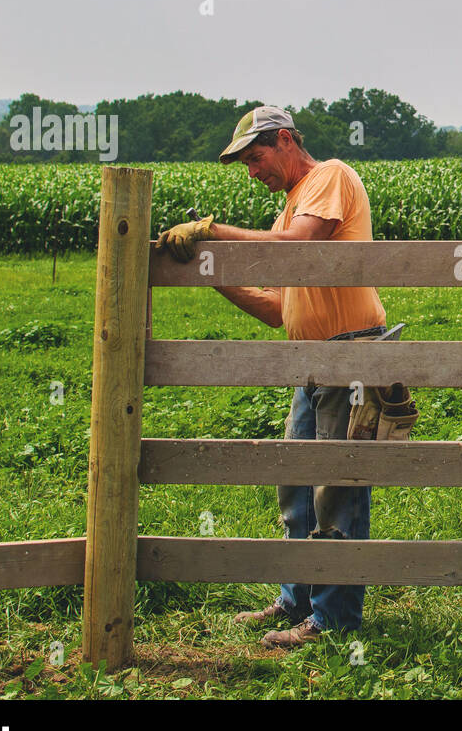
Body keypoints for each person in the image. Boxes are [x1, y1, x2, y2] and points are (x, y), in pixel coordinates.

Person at [156, 105, 387, 650]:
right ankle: (296, 598)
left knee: (337, 490)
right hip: (310, 362)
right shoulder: (289, 210)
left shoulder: (328, 177)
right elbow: (276, 310)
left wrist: (213, 230)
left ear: (285, 140)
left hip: (350, 358)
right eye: (246, 166)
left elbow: (297, 248)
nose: (253, 172)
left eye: (256, 158)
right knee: (297, 486)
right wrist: (214, 272)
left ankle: (333, 620)